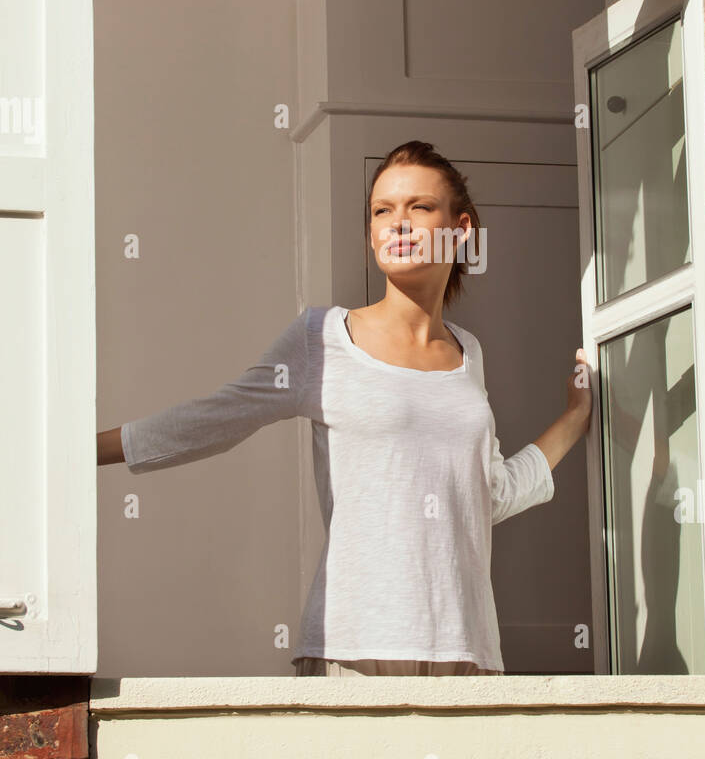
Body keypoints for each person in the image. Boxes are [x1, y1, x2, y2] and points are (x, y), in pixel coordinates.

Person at [97, 139, 592, 678]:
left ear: (462, 229)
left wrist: (573, 418)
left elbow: (484, 494)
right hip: (354, 646)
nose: (396, 223)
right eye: (382, 210)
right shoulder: (322, 338)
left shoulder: (469, 353)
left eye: (419, 207)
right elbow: (214, 419)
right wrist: (74, 454)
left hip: (466, 651)